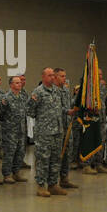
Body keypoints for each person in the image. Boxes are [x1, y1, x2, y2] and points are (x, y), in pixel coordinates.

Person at [26, 67, 64, 197]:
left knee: (55, 159)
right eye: (49, 75)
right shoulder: (38, 92)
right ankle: (41, 186)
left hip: (57, 131)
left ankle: (53, 184)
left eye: (53, 75)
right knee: (43, 159)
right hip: (44, 132)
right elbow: (30, 110)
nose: (52, 77)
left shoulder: (57, 92)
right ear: (43, 77)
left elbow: (60, 109)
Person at [0, 74, 28, 182]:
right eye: (17, 82)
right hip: (10, 131)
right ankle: (7, 175)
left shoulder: (22, 97)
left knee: (20, 152)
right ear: (11, 85)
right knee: (9, 153)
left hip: (21, 129)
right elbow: (1, 114)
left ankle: (16, 173)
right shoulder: (6, 98)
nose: (19, 84)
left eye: (20, 82)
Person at [55, 68, 80, 190]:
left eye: (65, 76)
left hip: (67, 125)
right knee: (56, 154)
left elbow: (68, 104)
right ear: (55, 77)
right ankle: (53, 181)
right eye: (61, 76)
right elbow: (57, 108)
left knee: (67, 153)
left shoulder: (65, 90)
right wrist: (68, 111)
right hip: (56, 127)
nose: (64, 78)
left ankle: (64, 178)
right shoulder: (53, 91)